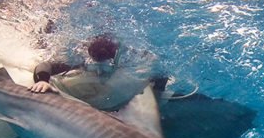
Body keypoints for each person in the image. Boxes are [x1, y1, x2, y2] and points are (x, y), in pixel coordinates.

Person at [28, 33, 168, 111]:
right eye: (95, 65)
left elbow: (161, 73)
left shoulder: (131, 62)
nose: (100, 71)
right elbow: (45, 65)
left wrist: (156, 100)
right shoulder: (78, 60)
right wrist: (42, 80)